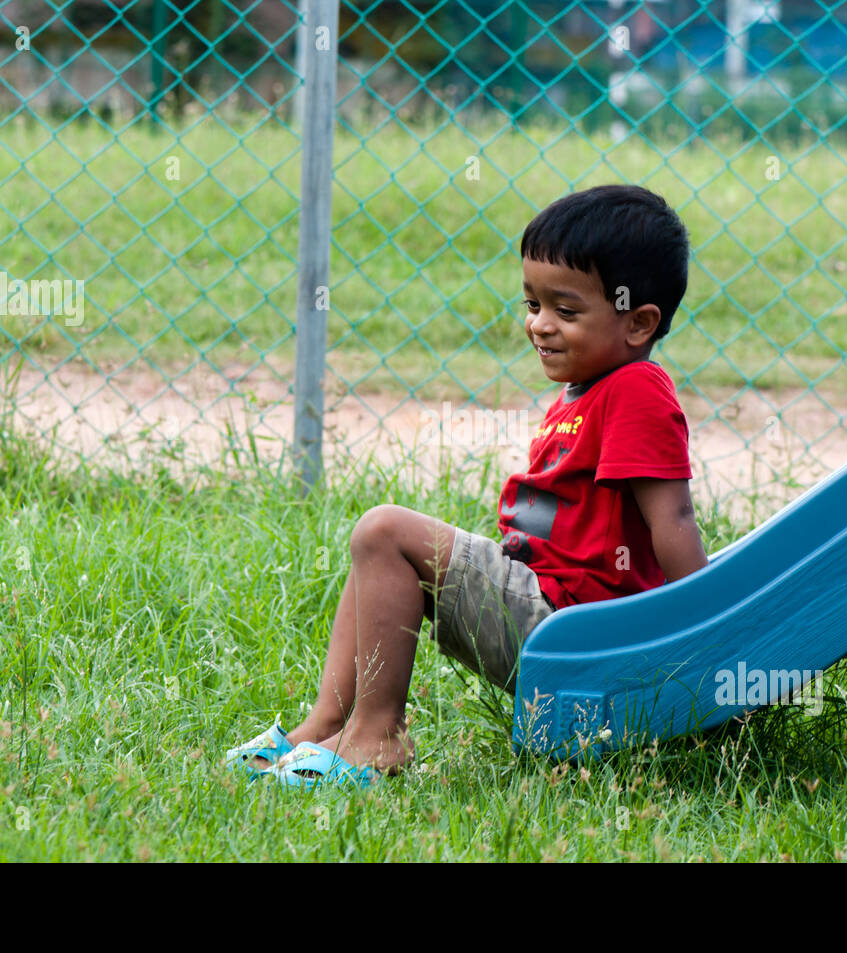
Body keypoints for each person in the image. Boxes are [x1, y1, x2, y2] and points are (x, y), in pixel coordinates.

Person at [227, 183, 710, 788]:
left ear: (639, 323)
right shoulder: (586, 390)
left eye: (565, 311)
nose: (539, 325)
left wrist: (710, 635)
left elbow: (674, 518)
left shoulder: (636, 390)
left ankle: (376, 740)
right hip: (550, 604)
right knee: (374, 553)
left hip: (577, 628)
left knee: (384, 531)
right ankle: (327, 721)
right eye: (532, 304)